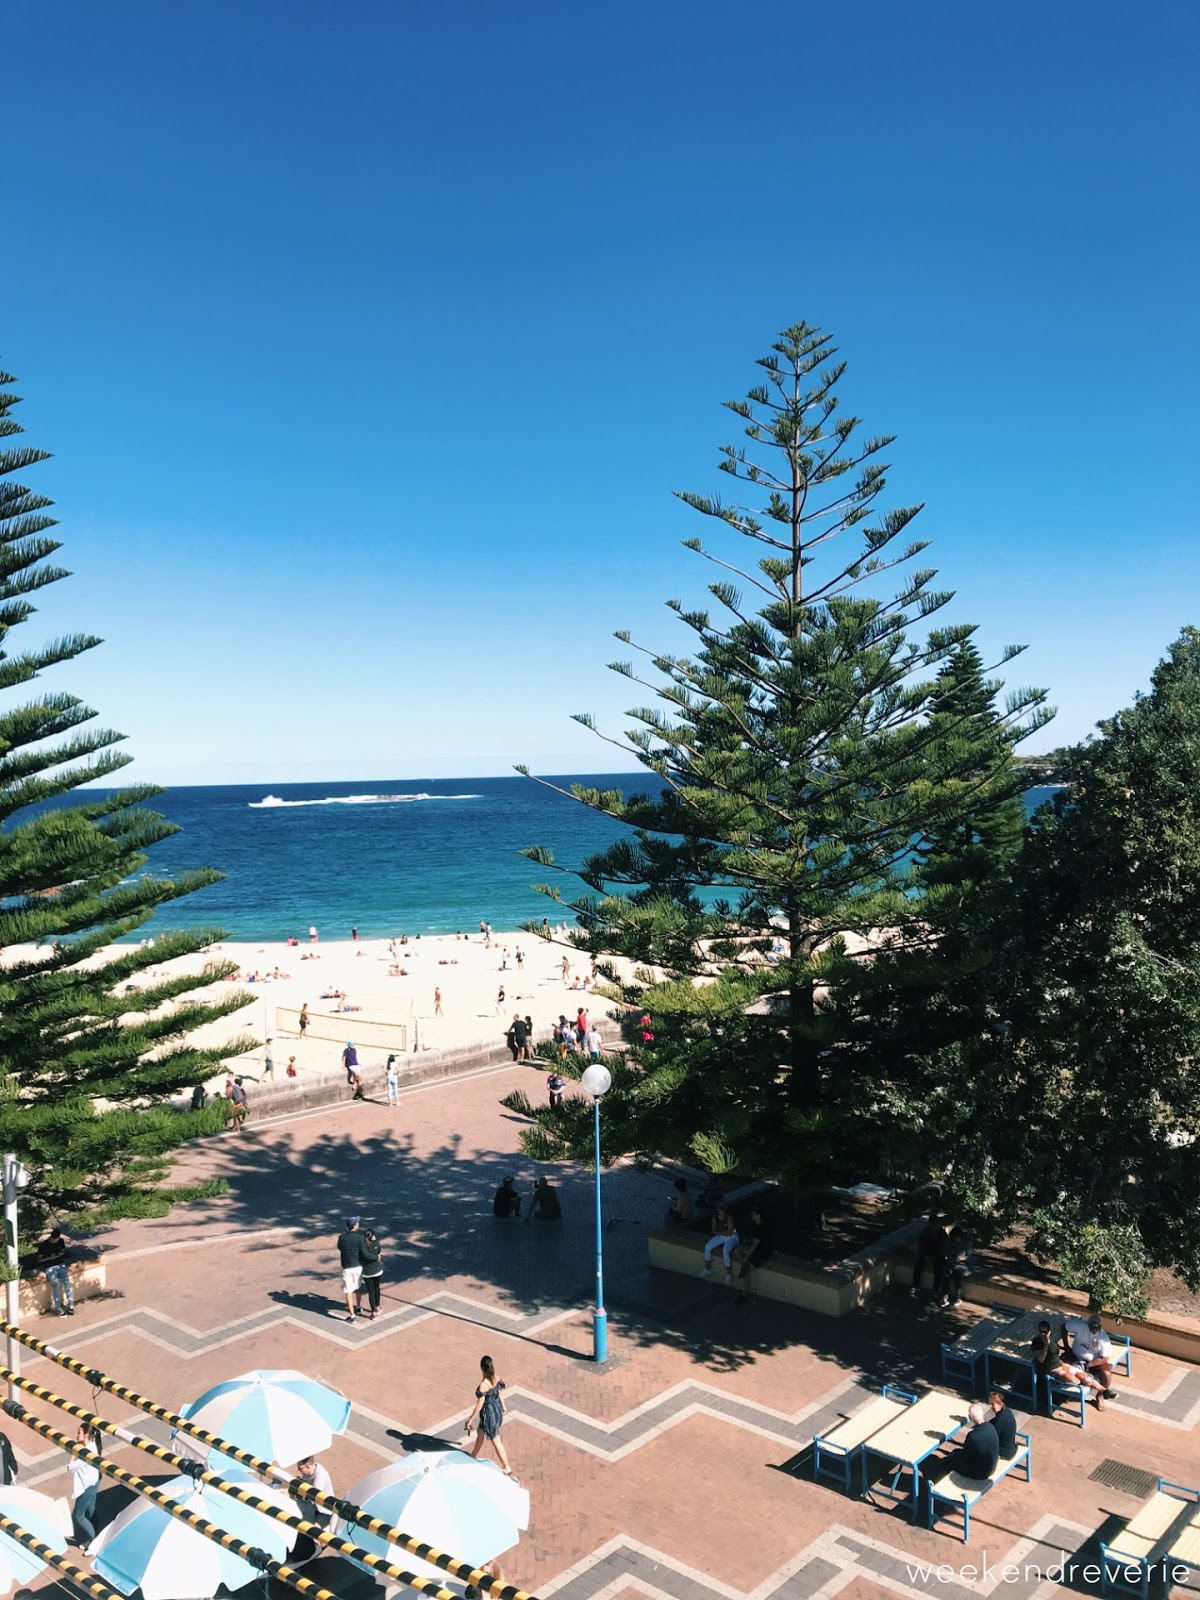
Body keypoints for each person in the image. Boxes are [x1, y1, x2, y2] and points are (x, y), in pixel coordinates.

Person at [464, 1356, 515, 1477]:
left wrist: (470, 1418)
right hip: (496, 1411)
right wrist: (503, 1405)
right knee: (480, 1431)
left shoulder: (483, 1385)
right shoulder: (496, 1377)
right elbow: (499, 1392)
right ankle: (473, 1455)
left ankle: (507, 1466)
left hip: (489, 1415)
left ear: (482, 1368)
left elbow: (480, 1405)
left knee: (496, 1441)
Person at [1060, 1313, 1118, 1396]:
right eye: (1092, 1327)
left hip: (1094, 1362)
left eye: (1096, 1327)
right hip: (1075, 1357)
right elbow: (1064, 1327)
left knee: (1107, 1374)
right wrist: (1066, 1346)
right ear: (1088, 1324)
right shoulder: (1079, 1325)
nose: (1094, 1329)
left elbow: (1104, 1358)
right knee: (1060, 1365)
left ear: (1100, 1326)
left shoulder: (1103, 1337)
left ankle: (1100, 1396)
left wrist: (1088, 1365)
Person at [67, 1422, 101, 1546]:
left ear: (86, 1435)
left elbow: (70, 1467)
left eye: (79, 1432)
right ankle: (90, 1539)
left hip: (87, 1487)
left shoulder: (86, 1452)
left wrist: (73, 1452)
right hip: (93, 1483)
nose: (76, 1435)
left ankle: (93, 1542)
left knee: (78, 1516)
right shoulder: (92, 1446)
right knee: (89, 1512)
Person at [945, 1401, 999, 1479]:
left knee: (951, 1460)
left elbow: (965, 1455)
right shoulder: (991, 1427)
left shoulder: (972, 1436)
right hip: (992, 1467)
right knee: (956, 1453)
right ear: (983, 1415)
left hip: (978, 1473)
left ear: (970, 1418)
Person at [733, 1206, 773, 1304]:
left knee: (746, 1273)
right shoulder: (757, 1225)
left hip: (761, 1254)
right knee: (737, 1250)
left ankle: (744, 1295)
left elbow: (755, 1245)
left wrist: (745, 1258)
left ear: (759, 1216)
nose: (752, 1216)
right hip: (757, 1250)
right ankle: (745, 1267)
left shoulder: (761, 1228)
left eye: (754, 1214)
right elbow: (754, 1240)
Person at [36, 1227, 74, 1316]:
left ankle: (70, 1304)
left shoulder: (60, 1241)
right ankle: (57, 1307)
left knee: (67, 1283)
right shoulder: (44, 1245)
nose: (56, 1241)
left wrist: (59, 1255)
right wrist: (50, 1257)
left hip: (61, 1264)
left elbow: (63, 1251)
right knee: (55, 1285)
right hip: (50, 1267)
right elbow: (39, 1259)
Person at [699, 1204, 739, 1282]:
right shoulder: (715, 1217)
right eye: (720, 1209)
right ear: (718, 1210)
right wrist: (723, 1232)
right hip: (721, 1236)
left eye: (723, 1209)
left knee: (725, 1250)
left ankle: (729, 1274)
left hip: (732, 1238)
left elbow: (730, 1233)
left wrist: (719, 1232)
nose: (722, 1211)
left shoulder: (729, 1217)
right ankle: (707, 1269)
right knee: (707, 1247)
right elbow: (714, 1231)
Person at [911, 1214, 947, 1299]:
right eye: (931, 1222)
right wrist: (925, 1256)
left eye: (935, 1223)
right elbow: (921, 1245)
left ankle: (936, 1289)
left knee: (939, 1269)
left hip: (937, 1255)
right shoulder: (925, 1231)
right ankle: (916, 1285)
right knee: (918, 1266)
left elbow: (943, 1246)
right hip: (926, 1254)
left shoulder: (942, 1233)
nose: (933, 1224)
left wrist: (935, 1256)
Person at [336, 1216, 364, 1324]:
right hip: (358, 1266)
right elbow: (363, 1251)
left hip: (347, 1267)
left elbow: (340, 1247)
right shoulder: (360, 1238)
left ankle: (352, 1316)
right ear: (355, 1225)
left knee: (348, 1292)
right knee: (358, 1288)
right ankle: (358, 1306)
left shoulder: (341, 1237)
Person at [938, 1222, 971, 1306]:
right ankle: (944, 1298)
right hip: (950, 1264)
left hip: (961, 1265)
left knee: (957, 1279)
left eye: (957, 1238)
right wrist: (949, 1257)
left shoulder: (966, 1244)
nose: (956, 1239)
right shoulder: (949, 1242)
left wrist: (962, 1258)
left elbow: (969, 1256)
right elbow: (944, 1252)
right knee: (946, 1278)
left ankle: (958, 1298)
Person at [357, 1228, 384, 1319]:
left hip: (367, 1272)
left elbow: (361, 1257)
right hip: (377, 1270)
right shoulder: (376, 1243)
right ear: (373, 1235)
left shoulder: (363, 1246)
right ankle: (377, 1306)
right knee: (377, 1288)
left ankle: (373, 1312)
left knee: (371, 1291)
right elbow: (379, 1251)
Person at [988, 1390, 1019, 1460]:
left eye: (993, 1404)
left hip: (1005, 1453)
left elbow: (992, 1437)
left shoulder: (1000, 1419)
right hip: (1012, 1447)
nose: (991, 1406)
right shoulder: (1007, 1411)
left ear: (1000, 1404)